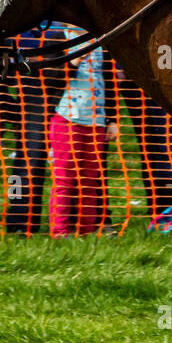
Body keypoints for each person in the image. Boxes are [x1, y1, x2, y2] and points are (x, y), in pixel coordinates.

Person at [48, 30, 119, 237]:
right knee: (65, 179)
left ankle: (86, 230)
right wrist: (73, 63)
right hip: (67, 118)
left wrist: (112, 119)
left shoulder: (101, 41)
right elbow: (51, 80)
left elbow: (109, 82)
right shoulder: (58, 38)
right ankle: (60, 231)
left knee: (90, 180)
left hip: (96, 121)